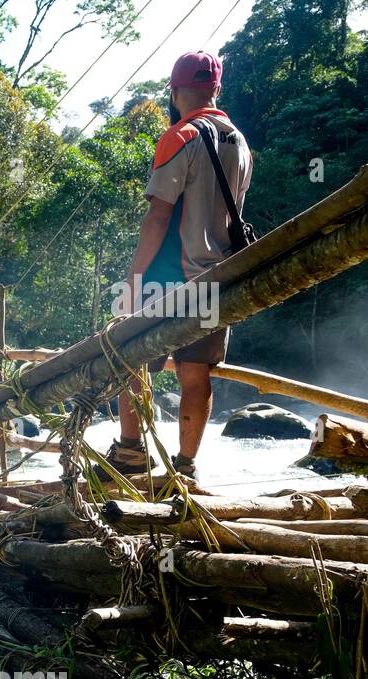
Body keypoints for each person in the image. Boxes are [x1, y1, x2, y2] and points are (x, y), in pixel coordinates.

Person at [105, 50, 253, 480]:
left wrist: (133, 280)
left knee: (129, 359)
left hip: (166, 277)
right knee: (195, 372)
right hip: (216, 279)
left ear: (174, 90)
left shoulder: (180, 136)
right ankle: (184, 469)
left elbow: (158, 217)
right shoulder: (240, 143)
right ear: (217, 89)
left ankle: (131, 453)